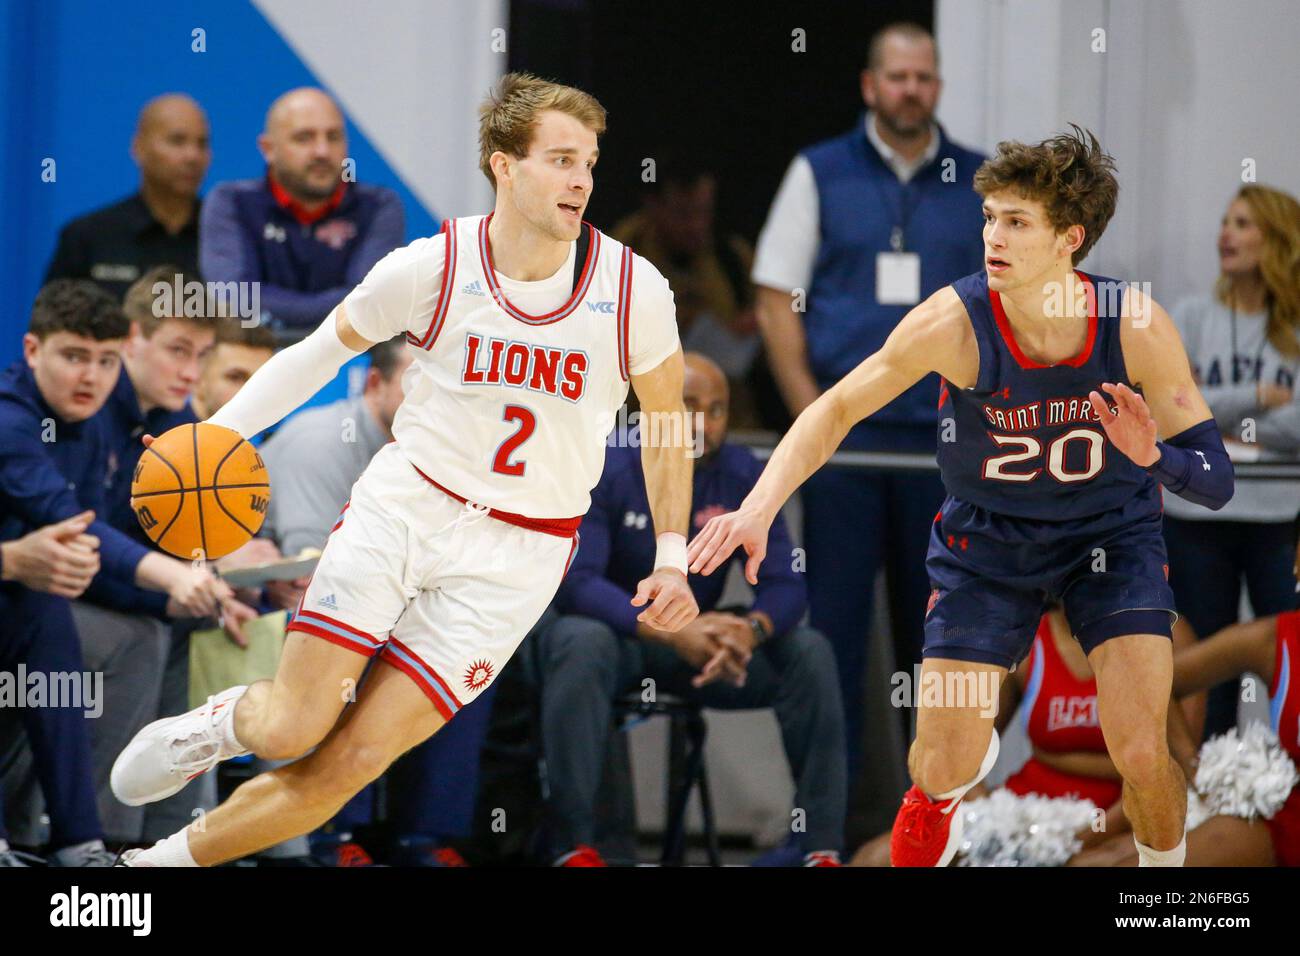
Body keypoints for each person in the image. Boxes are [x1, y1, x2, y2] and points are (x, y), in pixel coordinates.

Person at [111, 72, 697, 868]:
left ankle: (147, 872)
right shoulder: (432, 265)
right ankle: (211, 731)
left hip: (520, 555)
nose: (581, 180)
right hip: (408, 507)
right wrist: (211, 437)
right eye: (560, 160)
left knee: (348, 766)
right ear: (504, 165)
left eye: (589, 162)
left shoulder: (635, 290)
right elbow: (316, 355)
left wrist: (671, 558)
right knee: (292, 724)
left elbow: (665, 424)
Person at [689, 127, 1235, 868]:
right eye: (989, 217)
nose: (993, 236)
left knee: (1140, 748)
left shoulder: (1132, 324)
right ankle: (939, 807)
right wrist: (758, 506)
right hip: (990, 543)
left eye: (1017, 222)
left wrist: (1155, 456)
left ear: (1070, 238)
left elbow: (1215, 476)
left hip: (1109, 539)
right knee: (940, 762)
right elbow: (835, 410)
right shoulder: (955, 321)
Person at [750, 22, 986, 770]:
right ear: (869, 85)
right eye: (897, 77)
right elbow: (772, 298)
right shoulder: (819, 171)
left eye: (924, 77)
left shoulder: (980, 181)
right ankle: (827, 832)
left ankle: (932, 827)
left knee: (943, 647)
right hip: (845, 452)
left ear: (938, 87)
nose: (910, 90)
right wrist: (813, 419)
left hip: (949, 453)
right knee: (834, 639)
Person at [538, 353, 846, 866]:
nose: (704, 423)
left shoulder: (742, 471)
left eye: (719, 409)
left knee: (808, 652)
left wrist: (750, 629)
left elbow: (787, 584)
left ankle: (819, 848)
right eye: (689, 406)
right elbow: (577, 583)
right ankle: (574, 846)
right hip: (623, 642)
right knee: (576, 638)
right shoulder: (606, 462)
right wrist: (670, 630)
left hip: (706, 648)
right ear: (651, 408)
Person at [0, 281, 242, 862]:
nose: (91, 376)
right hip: (31, 602)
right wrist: (170, 580)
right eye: (74, 357)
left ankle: (110, 840)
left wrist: (197, 579)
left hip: (40, 602)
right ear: (33, 351)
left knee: (180, 626)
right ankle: (93, 836)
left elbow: (88, 543)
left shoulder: (94, 418)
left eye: (104, 361)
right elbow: (76, 523)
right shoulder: (17, 421)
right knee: (94, 627)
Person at [849, 604, 1200, 865]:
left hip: (1126, 815)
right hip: (1030, 810)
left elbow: (1180, 766)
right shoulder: (1029, 640)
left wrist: (1088, 834)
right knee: (875, 856)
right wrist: (1000, 824)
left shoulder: (1165, 633)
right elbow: (963, 753)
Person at [1162, 184, 1300, 739]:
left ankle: (1281, 799)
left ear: (1278, 240)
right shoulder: (1191, 315)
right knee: (1207, 670)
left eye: (1243, 224)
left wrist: (1218, 425)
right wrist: (1259, 399)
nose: (1226, 234)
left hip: (1280, 517)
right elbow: (1174, 411)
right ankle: (1210, 799)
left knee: (1286, 657)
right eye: (1225, 221)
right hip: (1197, 517)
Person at [1072, 575, 1300, 866]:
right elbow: (1154, 688)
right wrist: (1195, 770)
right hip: (1288, 817)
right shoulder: (1272, 638)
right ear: (1294, 564)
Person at [199, 88, 406, 333]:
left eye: (333, 137)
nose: (322, 151)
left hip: (351, 362)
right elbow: (232, 297)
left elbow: (370, 302)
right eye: (304, 138)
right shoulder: (232, 202)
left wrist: (271, 306)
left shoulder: (379, 207)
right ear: (268, 149)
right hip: (255, 361)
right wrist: (340, 306)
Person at [611, 158, 763, 426]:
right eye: (683, 213)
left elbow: (772, 320)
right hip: (637, 425)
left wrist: (755, 325)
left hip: (726, 425)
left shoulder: (733, 259)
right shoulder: (616, 255)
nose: (696, 225)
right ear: (652, 205)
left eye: (703, 212)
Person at [45, 95, 210, 300]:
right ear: (139, 147)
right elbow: (51, 327)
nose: (192, 156)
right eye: (177, 141)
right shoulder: (88, 238)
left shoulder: (231, 237)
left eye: (202, 144)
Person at [191, 320, 277, 421]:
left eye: (262, 381)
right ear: (198, 379)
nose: (252, 393)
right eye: (236, 377)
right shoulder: (169, 434)